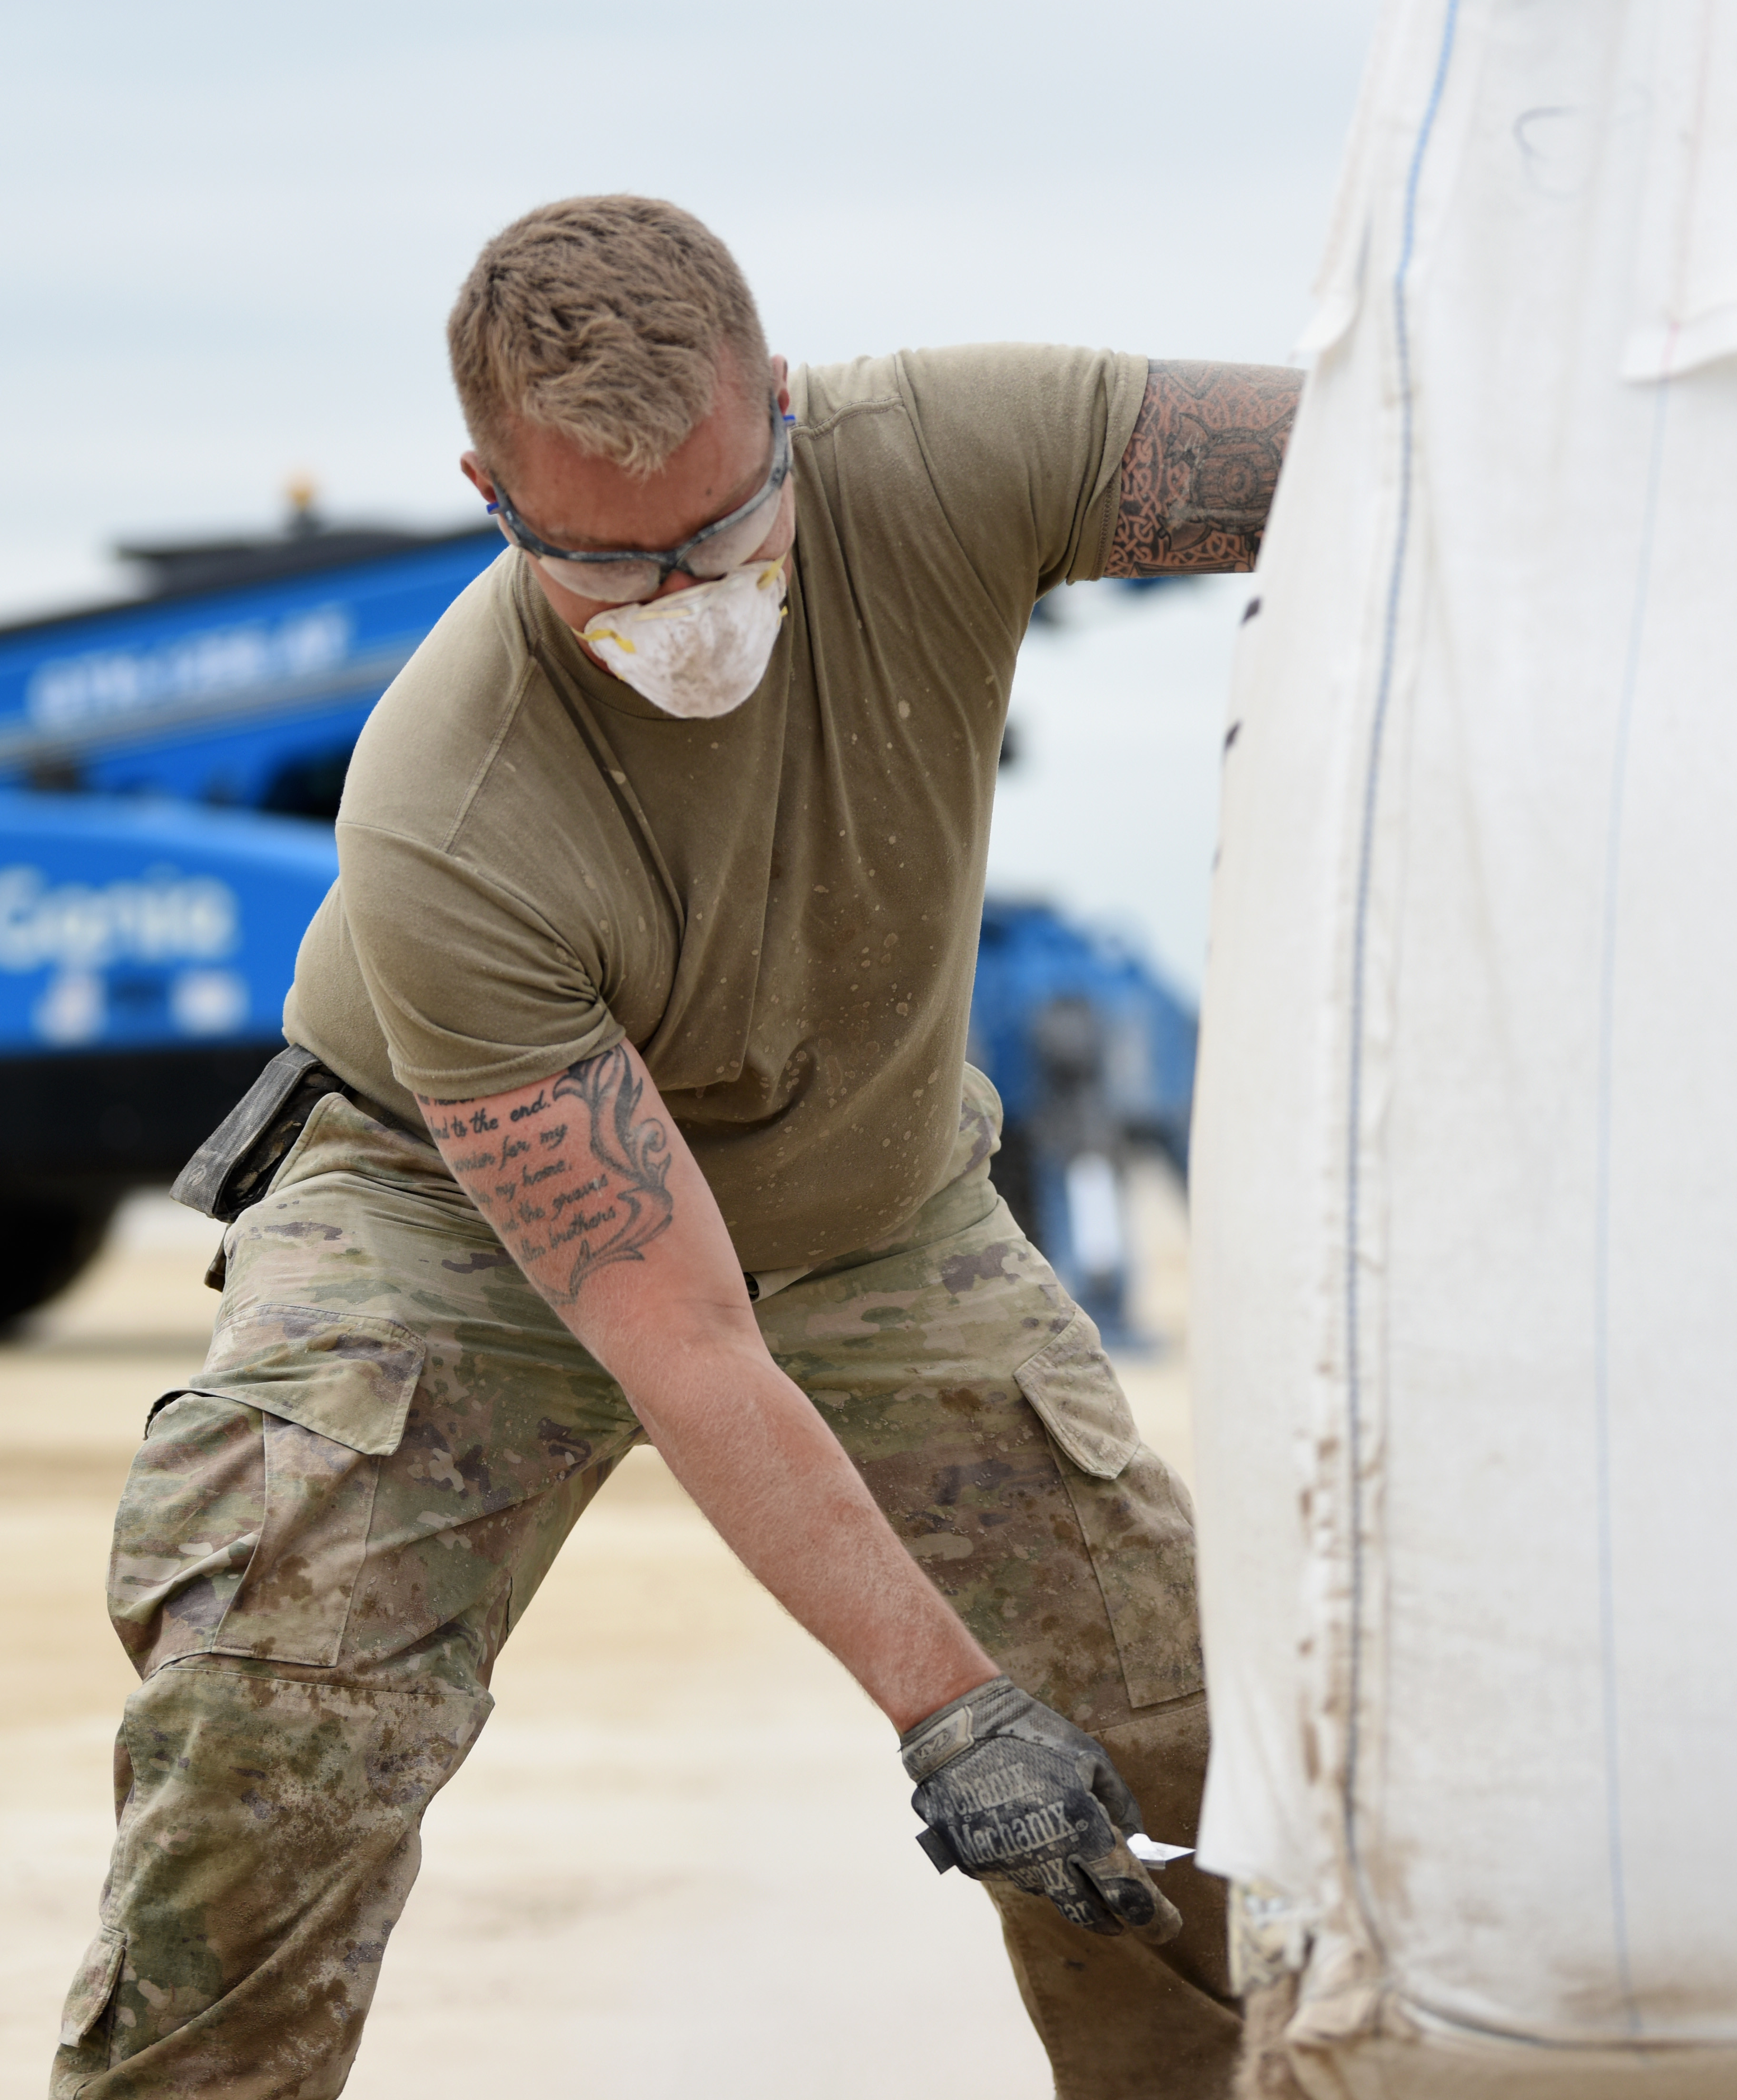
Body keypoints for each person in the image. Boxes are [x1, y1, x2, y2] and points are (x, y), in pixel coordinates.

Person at [51, 195, 1300, 2100]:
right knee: (270, 1717)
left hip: (869, 1203)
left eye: (721, 534)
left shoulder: (956, 457)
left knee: (1172, 1743)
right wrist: (948, 1715)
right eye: (601, 565)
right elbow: (685, 1339)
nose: (680, 605)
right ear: (488, 492)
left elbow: (1387, 461)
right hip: (447, 1215)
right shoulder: (446, 807)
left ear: (785, 409)